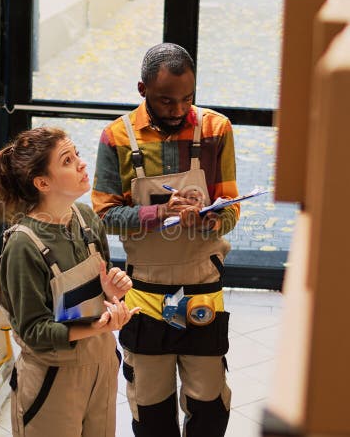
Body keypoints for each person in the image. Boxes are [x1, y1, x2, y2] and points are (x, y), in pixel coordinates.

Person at [91, 43, 240, 437]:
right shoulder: (116, 137)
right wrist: (159, 213)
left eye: (187, 98)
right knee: (150, 407)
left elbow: (231, 211)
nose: (178, 109)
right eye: (166, 100)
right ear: (143, 90)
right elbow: (105, 216)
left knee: (209, 405)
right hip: (145, 292)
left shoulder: (216, 129)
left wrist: (208, 219)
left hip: (203, 288)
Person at [0, 127, 140, 437]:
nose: (82, 164)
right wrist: (96, 326)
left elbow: (97, 291)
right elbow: (34, 331)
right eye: (67, 160)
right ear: (42, 183)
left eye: (77, 155)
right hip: (53, 377)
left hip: (101, 365)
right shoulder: (23, 245)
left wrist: (112, 294)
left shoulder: (87, 219)